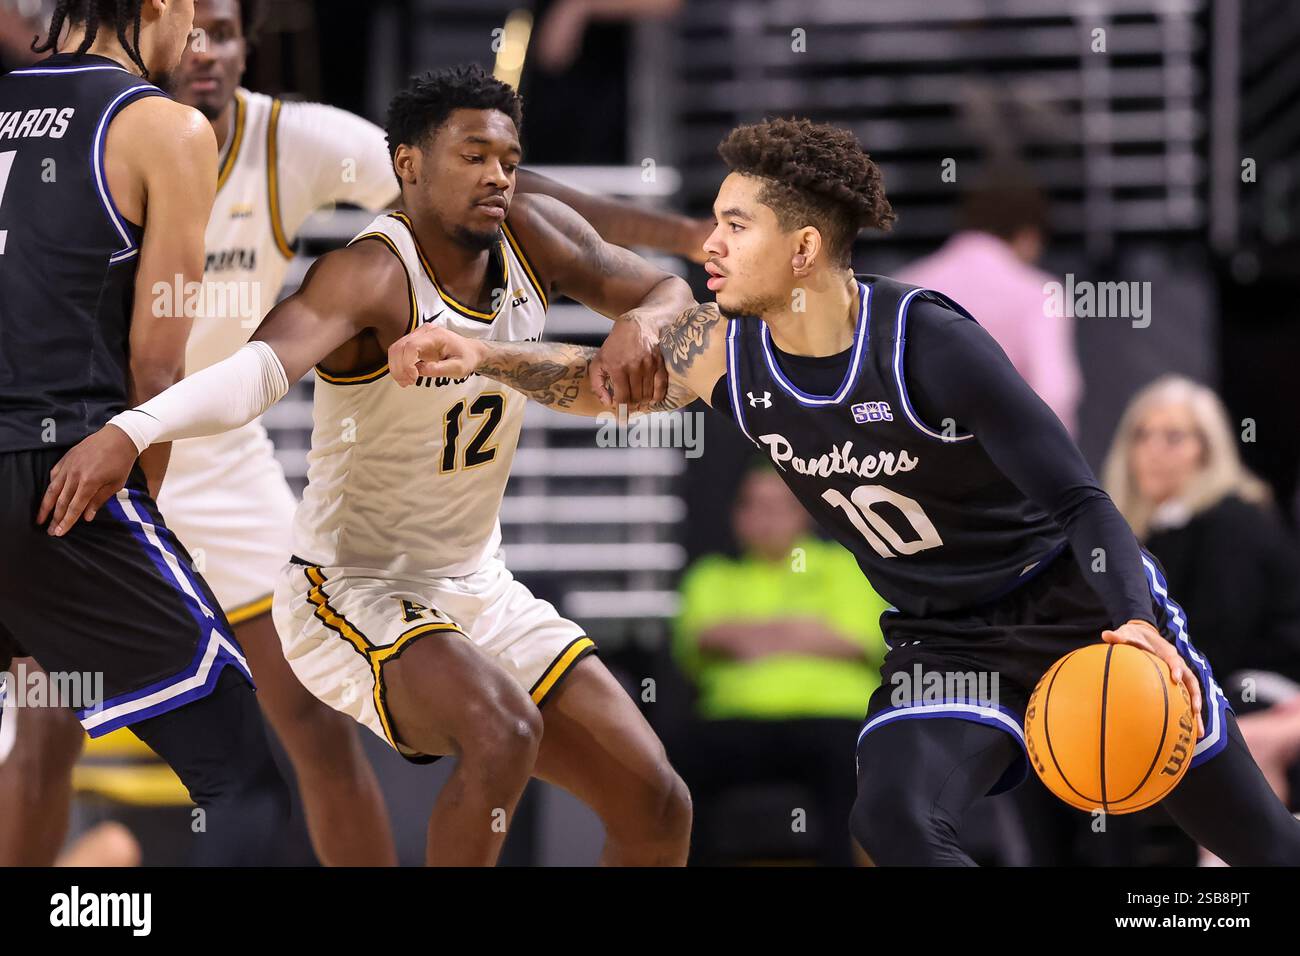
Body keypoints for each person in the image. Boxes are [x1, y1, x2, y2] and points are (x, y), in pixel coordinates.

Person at [387, 116, 1300, 865]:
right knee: (892, 819)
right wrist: (483, 357)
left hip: (1072, 607)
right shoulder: (728, 351)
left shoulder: (928, 343)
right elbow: (599, 385)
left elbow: (1084, 504)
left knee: (1259, 851)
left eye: (735, 225)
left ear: (804, 249)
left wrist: (1135, 619)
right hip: (942, 637)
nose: (708, 244)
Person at [0, 0, 712, 868]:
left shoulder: (316, 148)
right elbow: (244, 372)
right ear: (407, 168)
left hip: (354, 526)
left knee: (659, 800)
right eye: (476, 158)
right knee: (54, 735)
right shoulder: (352, 259)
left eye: (507, 161)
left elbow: (656, 291)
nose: (496, 176)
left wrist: (660, 295)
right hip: (185, 477)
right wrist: (133, 432)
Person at [0, 0, 289, 866]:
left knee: (39, 746)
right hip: (58, 480)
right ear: (158, 7)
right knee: (246, 788)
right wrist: (133, 528)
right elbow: (156, 376)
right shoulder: (167, 128)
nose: (191, 39)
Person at [671, 464, 888, 865]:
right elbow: (699, 640)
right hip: (734, 724)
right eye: (755, 506)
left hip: (831, 722)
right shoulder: (711, 576)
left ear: (803, 512)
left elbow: (861, 642)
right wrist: (805, 632)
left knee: (846, 763)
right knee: (676, 763)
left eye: (779, 506)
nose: (766, 518)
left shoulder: (847, 567)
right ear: (738, 515)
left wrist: (751, 636)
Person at [896, 172, 1081, 436]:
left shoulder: (907, 285)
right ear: (1030, 235)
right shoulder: (1039, 293)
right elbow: (1055, 391)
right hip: (1006, 459)